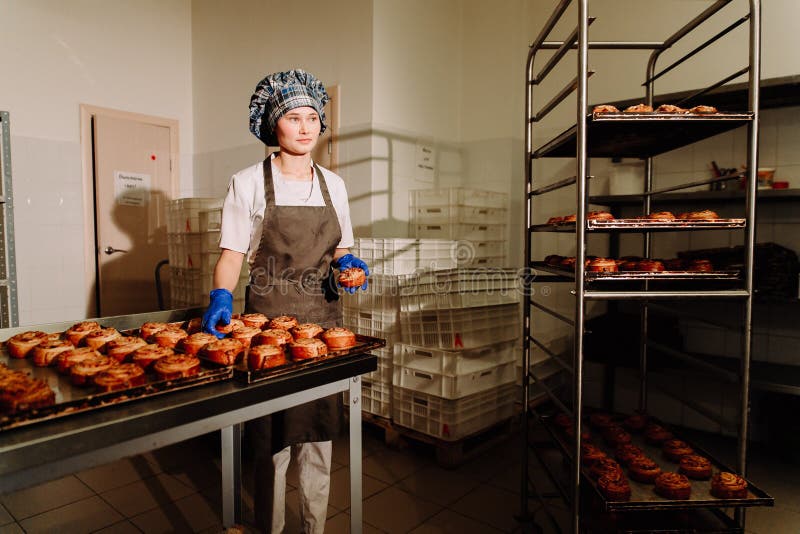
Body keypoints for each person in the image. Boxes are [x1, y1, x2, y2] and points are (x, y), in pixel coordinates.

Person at [201, 68, 369, 534]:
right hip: (268, 325)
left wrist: (350, 264)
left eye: (312, 117)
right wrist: (220, 296)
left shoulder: (334, 185)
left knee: (318, 437)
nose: (306, 127)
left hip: (322, 323)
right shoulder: (248, 181)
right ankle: (270, 528)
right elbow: (232, 254)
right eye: (293, 118)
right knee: (271, 438)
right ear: (272, 124)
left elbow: (340, 248)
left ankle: (315, 528)